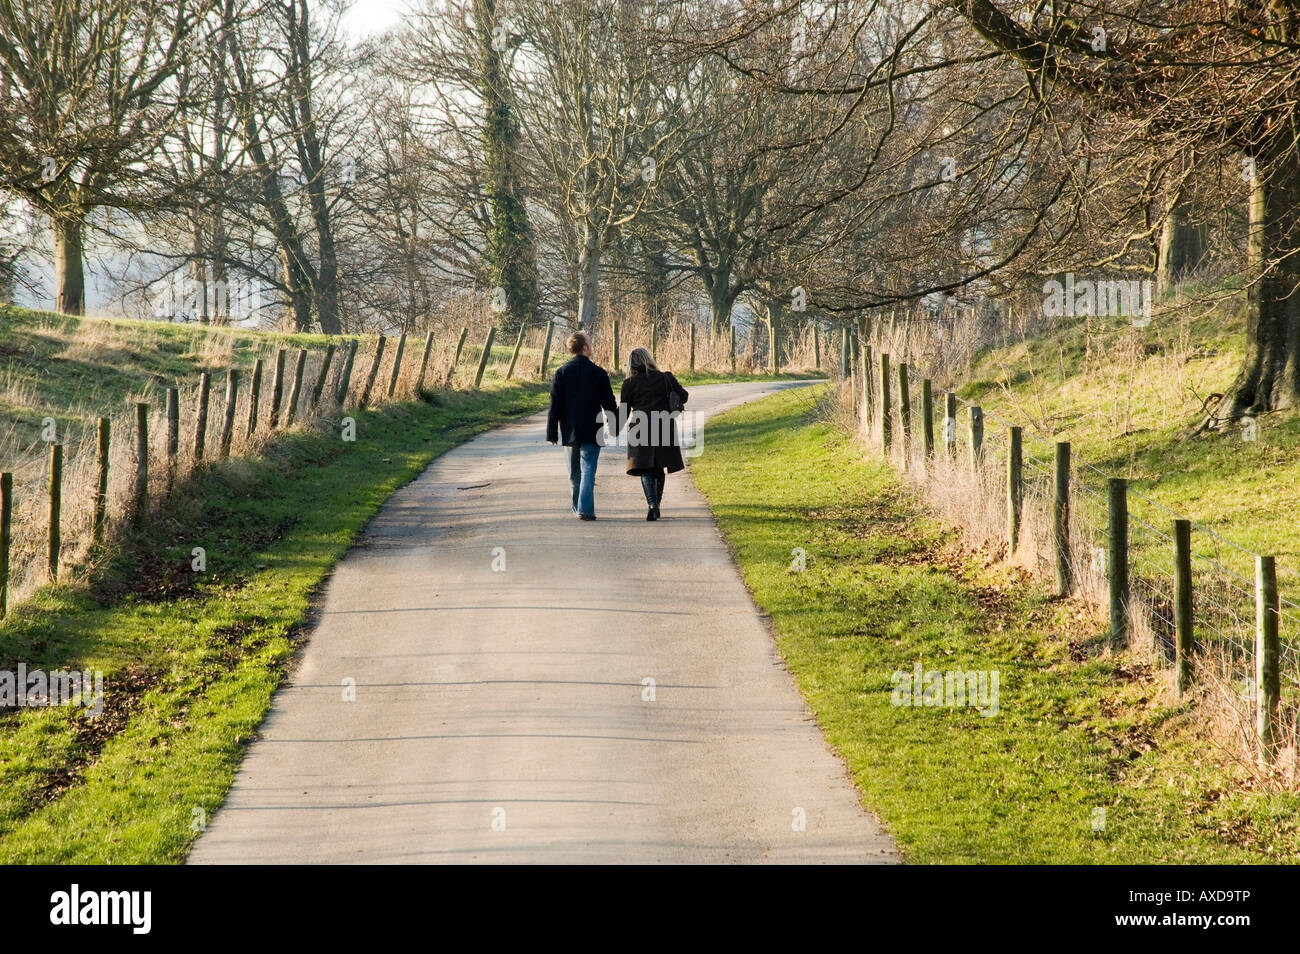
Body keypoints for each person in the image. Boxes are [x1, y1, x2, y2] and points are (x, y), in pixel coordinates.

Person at [546, 331, 618, 520]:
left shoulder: (561, 372)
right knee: (588, 470)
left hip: (569, 430)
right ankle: (584, 509)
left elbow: (555, 405)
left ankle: (579, 507)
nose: (592, 346)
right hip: (594, 430)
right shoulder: (599, 373)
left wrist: (552, 433)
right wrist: (614, 424)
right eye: (590, 343)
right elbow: (609, 403)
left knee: (574, 473)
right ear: (584, 347)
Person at [619, 346, 688, 521]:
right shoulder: (666, 377)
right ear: (649, 359)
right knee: (659, 466)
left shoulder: (629, 383)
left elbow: (624, 410)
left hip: (640, 426)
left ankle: (653, 505)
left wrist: (614, 426)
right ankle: (656, 505)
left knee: (646, 468)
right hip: (664, 423)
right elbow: (684, 396)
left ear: (631, 364)